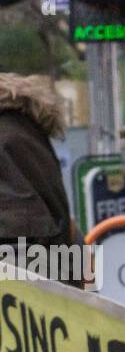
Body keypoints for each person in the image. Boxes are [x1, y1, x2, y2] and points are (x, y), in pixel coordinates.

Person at [0, 72, 83, 285]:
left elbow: (20, 227)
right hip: (60, 280)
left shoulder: (8, 137)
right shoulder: (28, 132)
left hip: (27, 288)